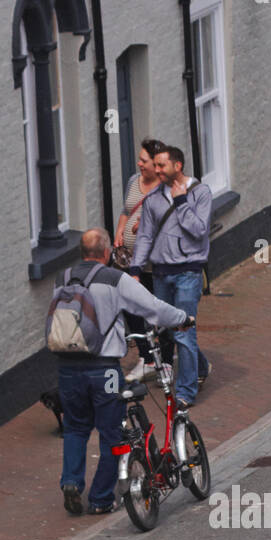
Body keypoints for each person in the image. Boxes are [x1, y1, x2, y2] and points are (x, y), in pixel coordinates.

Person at [56, 227, 191, 516]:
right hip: (103, 370)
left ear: (81, 253)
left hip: (67, 369)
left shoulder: (63, 278)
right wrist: (182, 319)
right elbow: (151, 307)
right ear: (106, 253)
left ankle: (71, 482)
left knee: (75, 428)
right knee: (112, 433)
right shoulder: (114, 279)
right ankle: (101, 498)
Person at [130, 145, 211, 408]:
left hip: (188, 272)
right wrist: (135, 270)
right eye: (156, 165)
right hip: (162, 274)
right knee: (168, 330)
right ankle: (200, 365)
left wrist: (180, 202)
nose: (157, 170)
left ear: (177, 166)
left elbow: (198, 230)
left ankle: (185, 393)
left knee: (184, 332)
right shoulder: (153, 199)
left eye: (162, 165)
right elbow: (144, 236)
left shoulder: (200, 193)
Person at [112, 138, 170, 384]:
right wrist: (120, 230)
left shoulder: (166, 188)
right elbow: (126, 211)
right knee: (130, 307)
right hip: (130, 261)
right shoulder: (133, 182)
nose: (139, 163)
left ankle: (165, 361)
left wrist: (146, 226)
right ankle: (146, 358)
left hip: (155, 263)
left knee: (160, 311)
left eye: (144, 160)